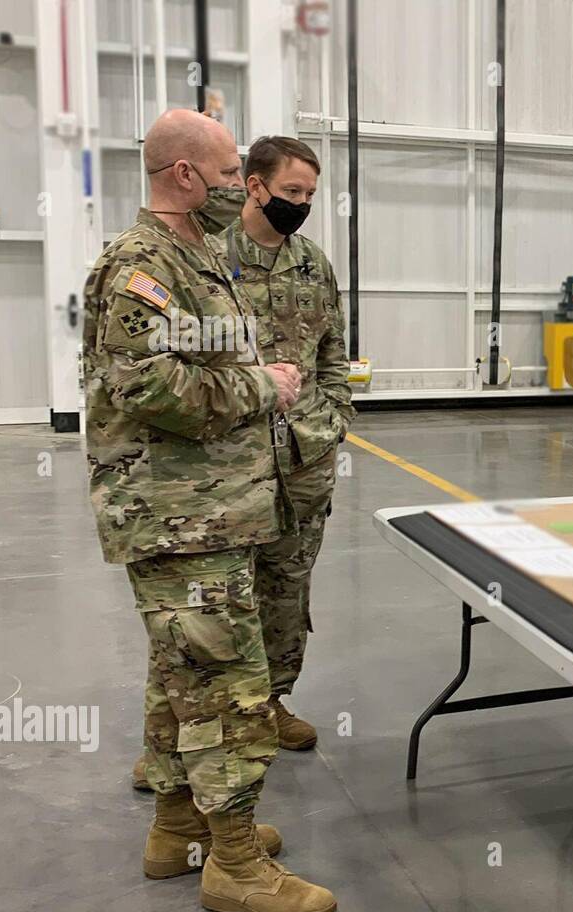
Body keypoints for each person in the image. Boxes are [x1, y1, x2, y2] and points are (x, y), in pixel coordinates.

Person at [85, 108, 336, 912]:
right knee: (228, 687)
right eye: (231, 174)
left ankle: (177, 828)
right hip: (178, 517)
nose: (241, 188)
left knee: (179, 679)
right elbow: (148, 387)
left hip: (214, 510)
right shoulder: (142, 264)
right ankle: (234, 866)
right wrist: (264, 387)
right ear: (185, 175)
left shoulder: (195, 254)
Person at [217, 135, 354, 750]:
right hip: (229, 463)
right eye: (291, 191)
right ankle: (198, 728)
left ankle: (270, 703)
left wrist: (335, 419)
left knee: (286, 588)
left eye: (309, 194)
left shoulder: (312, 263)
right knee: (215, 599)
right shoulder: (209, 258)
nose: (300, 204)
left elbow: (333, 351)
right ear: (255, 186)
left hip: (303, 459)